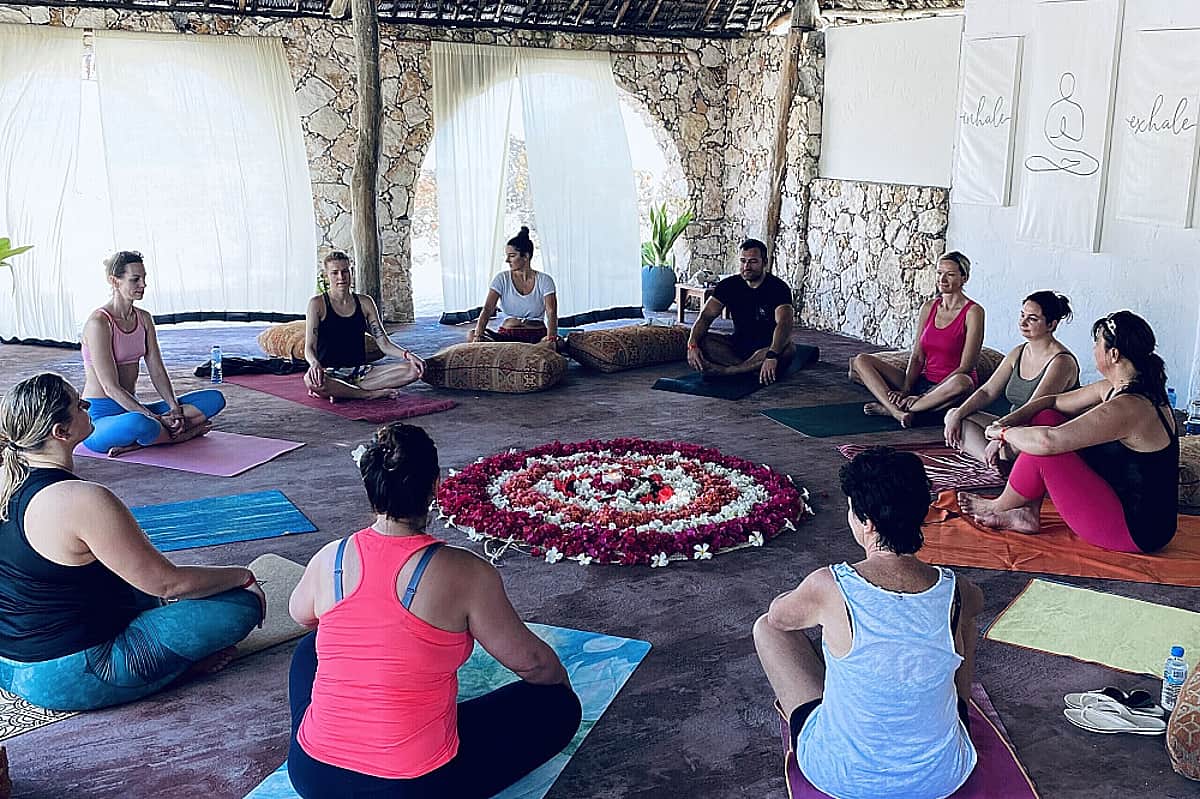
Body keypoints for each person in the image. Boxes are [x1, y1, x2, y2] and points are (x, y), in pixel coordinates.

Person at [287, 423, 582, 798]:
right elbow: (533, 663)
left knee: (308, 649)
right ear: (435, 486)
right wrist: (562, 684)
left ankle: (340, 736)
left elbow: (301, 614)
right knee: (555, 706)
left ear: (369, 485)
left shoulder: (331, 556)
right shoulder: (467, 572)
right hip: (413, 789)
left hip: (313, 777)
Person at [0, 373, 265, 712]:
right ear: (61, 432)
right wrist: (242, 575)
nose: (88, 407)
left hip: (8, 662)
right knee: (240, 606)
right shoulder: (82, 499)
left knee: (131, 575)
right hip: (69, 674)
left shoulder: (8, 480)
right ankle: (178, 672)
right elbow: (169, 584)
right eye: (80, 405)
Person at [754, 447, 983, 799]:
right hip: (940, 775)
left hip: (841, 775)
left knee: (765, 628)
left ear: (868, 523)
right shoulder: (958, 590)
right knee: (963, 620)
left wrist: (822, 609)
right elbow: (976, 605)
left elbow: (778, 617)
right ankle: (960, 711)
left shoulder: (829, 585)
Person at [958, 310, 1178, 554]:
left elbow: (1048, 441)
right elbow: (1050, 402)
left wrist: (1002, 434)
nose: (1094, 349)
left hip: (1135, 531)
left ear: (1113, 355)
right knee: (1045, 419)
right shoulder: (1120, 389)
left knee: (1043, 447)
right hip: (1131, 509)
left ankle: (999, 506)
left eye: (1097, 344)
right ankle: (1025, 513)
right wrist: (1007, 421)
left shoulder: (1129, 407)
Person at [81, 250, 226, 457]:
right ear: (115, 281)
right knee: (138, 422)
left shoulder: (144, 318)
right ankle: (181, 436)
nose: (143, 284)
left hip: (133, 407)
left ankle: (144, 441)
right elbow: (110, 387)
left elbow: (157, 370)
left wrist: (173, 407)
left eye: (144, 278)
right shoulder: (99, 323)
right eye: (135, 279)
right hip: (101, 418)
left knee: (214, 399)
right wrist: (154, 418)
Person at [944, 291, 1080, 468]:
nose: (1023, 322)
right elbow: (988, 391)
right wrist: (958, 414)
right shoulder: (1018, 352)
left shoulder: (1061, 362)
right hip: (1010, 425)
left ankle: (999, 459)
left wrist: (1001, 435)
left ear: (1051, 325)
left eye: (1032, 319)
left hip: (1037, 432)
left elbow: (1033, 407)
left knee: (1012, 445)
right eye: (1022, 315)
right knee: (952, 415)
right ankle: (995, 464)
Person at [851, 251, 985, 427]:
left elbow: (966, 367)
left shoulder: (973, 312)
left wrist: (925, 396)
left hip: (948, 387)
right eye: (939, 273)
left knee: (963, 382)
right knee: (861, 360)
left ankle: (900, 409)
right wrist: (906, 389)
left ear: (964, 278)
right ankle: (897, 411)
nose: (942, 279)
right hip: (923, 381)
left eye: (950, 274)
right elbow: (917, 356)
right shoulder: (929, 307)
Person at [304, 252, 426, 402]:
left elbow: (384, 343)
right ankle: (368, 394)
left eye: (345, 271)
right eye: (335, 273)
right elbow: (309, 347)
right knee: (311, 381)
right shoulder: (317, 304)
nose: (341, 277)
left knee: (413, 370)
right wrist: (314, 364)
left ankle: (343, 392)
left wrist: (408, 355)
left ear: (351, 272)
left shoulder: (365, 302)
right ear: (326, 275)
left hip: (361, 373)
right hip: (329, 372)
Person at [686, 238, 796, 385]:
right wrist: (692, 345)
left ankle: (729, 372)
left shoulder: (778, 288)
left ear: (765, 262)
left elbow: (784, 323)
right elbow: (706, 317)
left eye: (753, 261)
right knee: (703, 341)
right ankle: (750, 370)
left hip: (767, 348)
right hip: (737, 346)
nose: (747, 266)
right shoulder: (728, 286)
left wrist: (772, 355)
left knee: (788, 349)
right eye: (743, 261)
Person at [467, 227, 559, 346]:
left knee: (556, 342)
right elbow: (488, 309)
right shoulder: (501, 278)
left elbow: (551, 312)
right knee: (471, 334)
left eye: (511, 256)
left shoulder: (545, 280)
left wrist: (551, 338)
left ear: (525, 256)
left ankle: (530, 351)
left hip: (537, 335)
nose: (507, 260)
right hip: (506, 335)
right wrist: (478, 336)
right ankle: (521, 352)